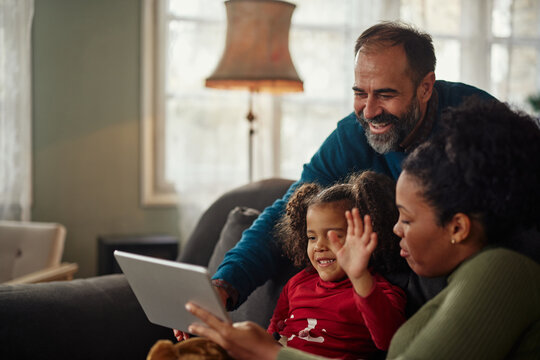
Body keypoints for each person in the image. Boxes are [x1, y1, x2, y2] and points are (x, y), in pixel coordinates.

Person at [185, 97, 540, 360]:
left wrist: (270, 354)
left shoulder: (503, 272)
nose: (396, 229)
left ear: (458, 227)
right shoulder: (470, 274)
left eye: (407, 218)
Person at [211, 21, 496, 315]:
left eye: (385, 95)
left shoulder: (479, 121)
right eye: (360, 93)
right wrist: (225, 284)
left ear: (425, 88)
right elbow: (289, 211)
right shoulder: (352, 133)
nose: (369, 111)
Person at [268, 171, 407, 359]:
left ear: (365, 237)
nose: (319, 246)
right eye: (312, 237)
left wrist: (359, 277)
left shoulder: (378, 292)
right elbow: (274, 334)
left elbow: (390, 341)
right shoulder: (296, 284)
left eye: (335, 236)